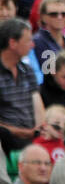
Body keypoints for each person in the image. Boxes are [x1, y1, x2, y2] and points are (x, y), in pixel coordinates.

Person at [0, 18, 44, 152]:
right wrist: (19, 132)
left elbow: (37, 105)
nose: (32, 45)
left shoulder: (27, 70)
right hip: (4, 143)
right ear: (13, 43)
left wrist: (39, 129)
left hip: (30, 140)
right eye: (28, 41)